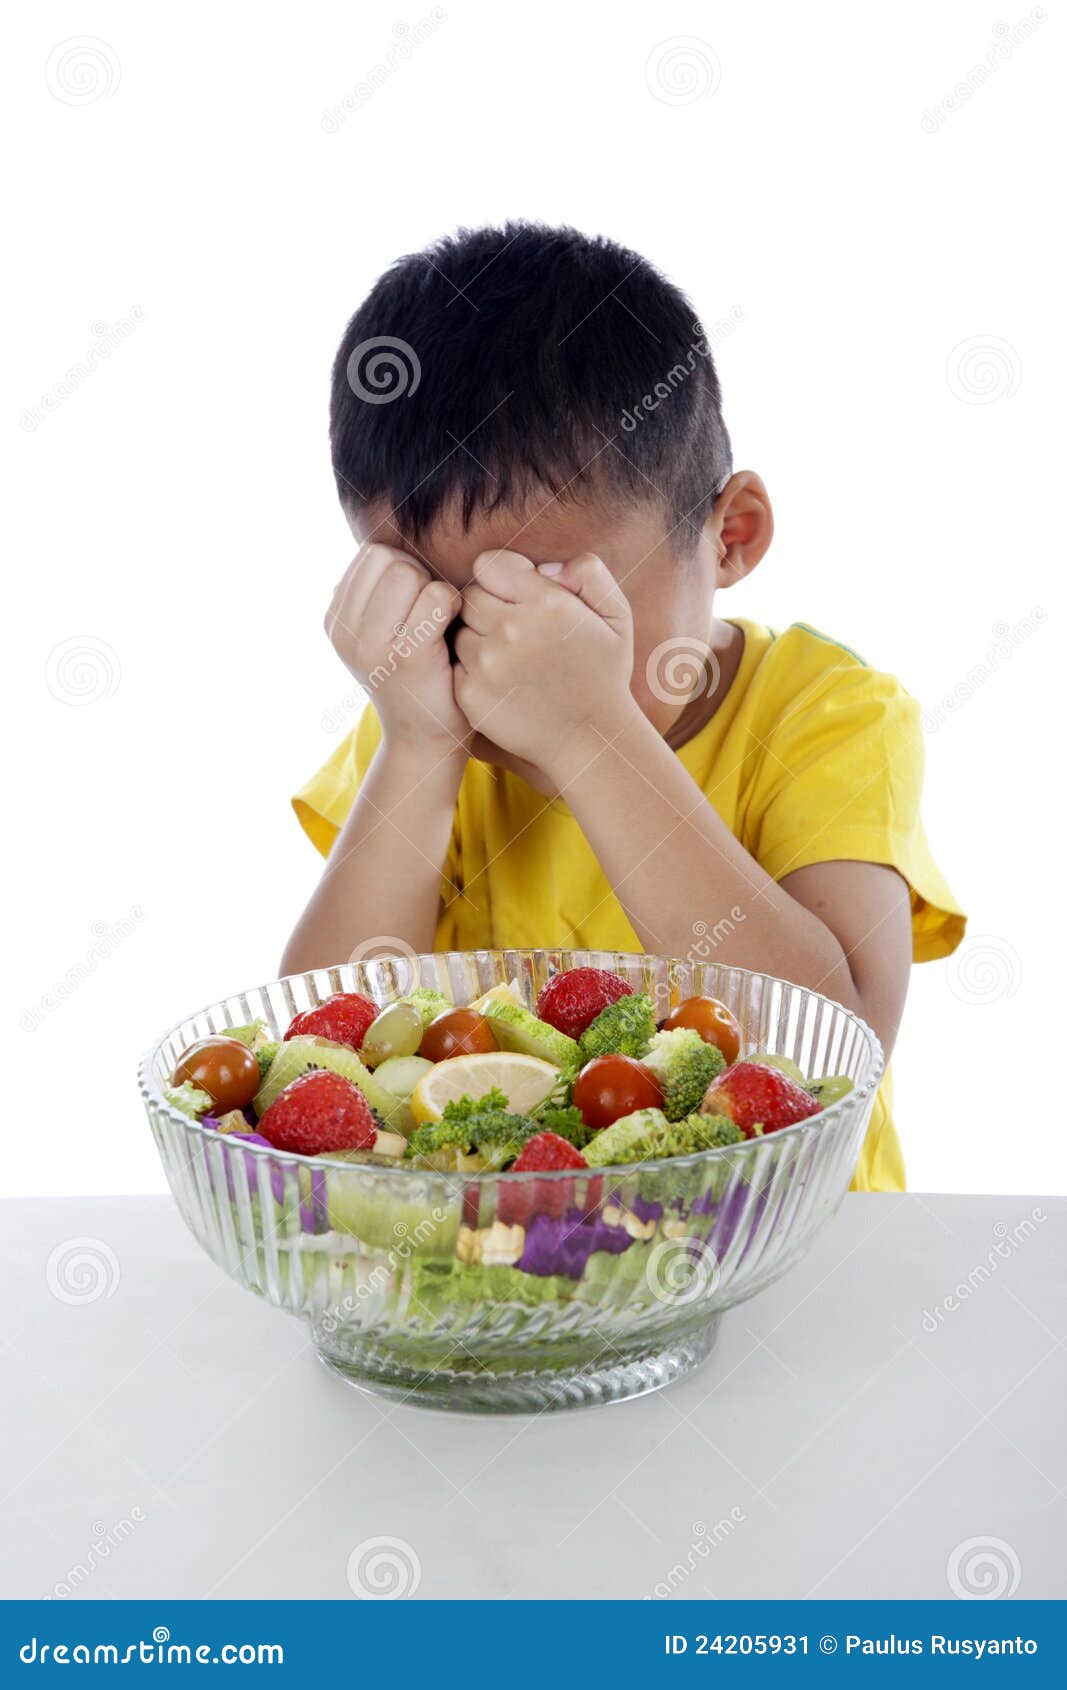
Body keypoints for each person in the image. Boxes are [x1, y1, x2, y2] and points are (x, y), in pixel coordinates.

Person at [283, 223, 965, 1190]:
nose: (502, 660)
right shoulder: (424, 717)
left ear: (729, 535)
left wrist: (590, 732)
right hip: (511, 1289)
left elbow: (830, 1051)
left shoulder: (827, 715)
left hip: (792, 1262)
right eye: (442, 611)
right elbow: (316, 1066)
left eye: (550, 605)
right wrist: (418, 742)